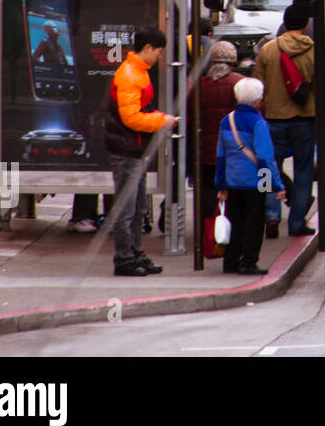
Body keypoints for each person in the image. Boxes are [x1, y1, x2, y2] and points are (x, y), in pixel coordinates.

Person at [104, 27, 179, 276]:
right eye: (158, 51)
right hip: (127, 150)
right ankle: (124, 258)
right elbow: (132, 118)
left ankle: (133, 254)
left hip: (133, 149)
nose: (159, 56)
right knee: (128, 210)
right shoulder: (130, 75)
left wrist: (159, 118)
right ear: (148, 48)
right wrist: (162, 120)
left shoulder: (137, 72)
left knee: (137, 210)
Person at [252, 6, 316, 237]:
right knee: (303, 171)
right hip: (305, 119)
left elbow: (257, 86)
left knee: (268, 168)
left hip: (273, 120)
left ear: (285, 23)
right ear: (304, 25)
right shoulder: (314, 51)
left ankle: (271, 216)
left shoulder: (268, 50)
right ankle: (297, 222)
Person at [215, 77, 285, 274]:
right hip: (255, 182)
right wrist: (274, 185)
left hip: (232, 181)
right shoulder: (258, 122)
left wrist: (221, 184)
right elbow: (264, 157)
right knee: (254, 224)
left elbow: (221, 155)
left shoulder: (226, 120)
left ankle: (230, 262)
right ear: (257, 100)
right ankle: (248, 262)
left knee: (235, 221)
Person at [190, 40, 243, 259]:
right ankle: (229, 238)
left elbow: (191, 118)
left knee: (206, 194)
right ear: (233, 62)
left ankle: (208, 237)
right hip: (233, 153)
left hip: (204, 151)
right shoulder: (240, 84)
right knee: (233, 197)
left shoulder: (198, 85)